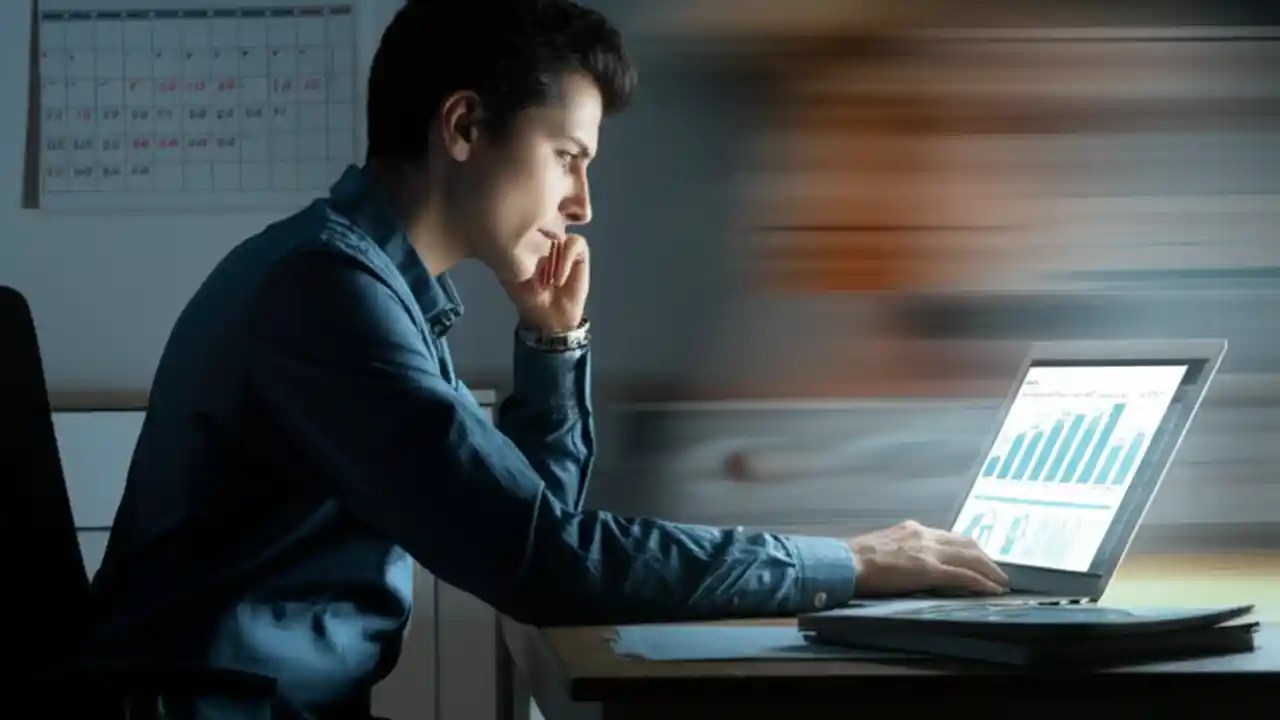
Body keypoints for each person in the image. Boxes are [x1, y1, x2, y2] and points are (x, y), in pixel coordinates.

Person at [88, 1, 1008, 717]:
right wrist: (845, 562)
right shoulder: (326, 295)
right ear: (462, 127)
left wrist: (552, 343)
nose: (582, 204)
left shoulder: (365, 286)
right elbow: (543, 562)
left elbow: (532, 522)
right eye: (568, 156)